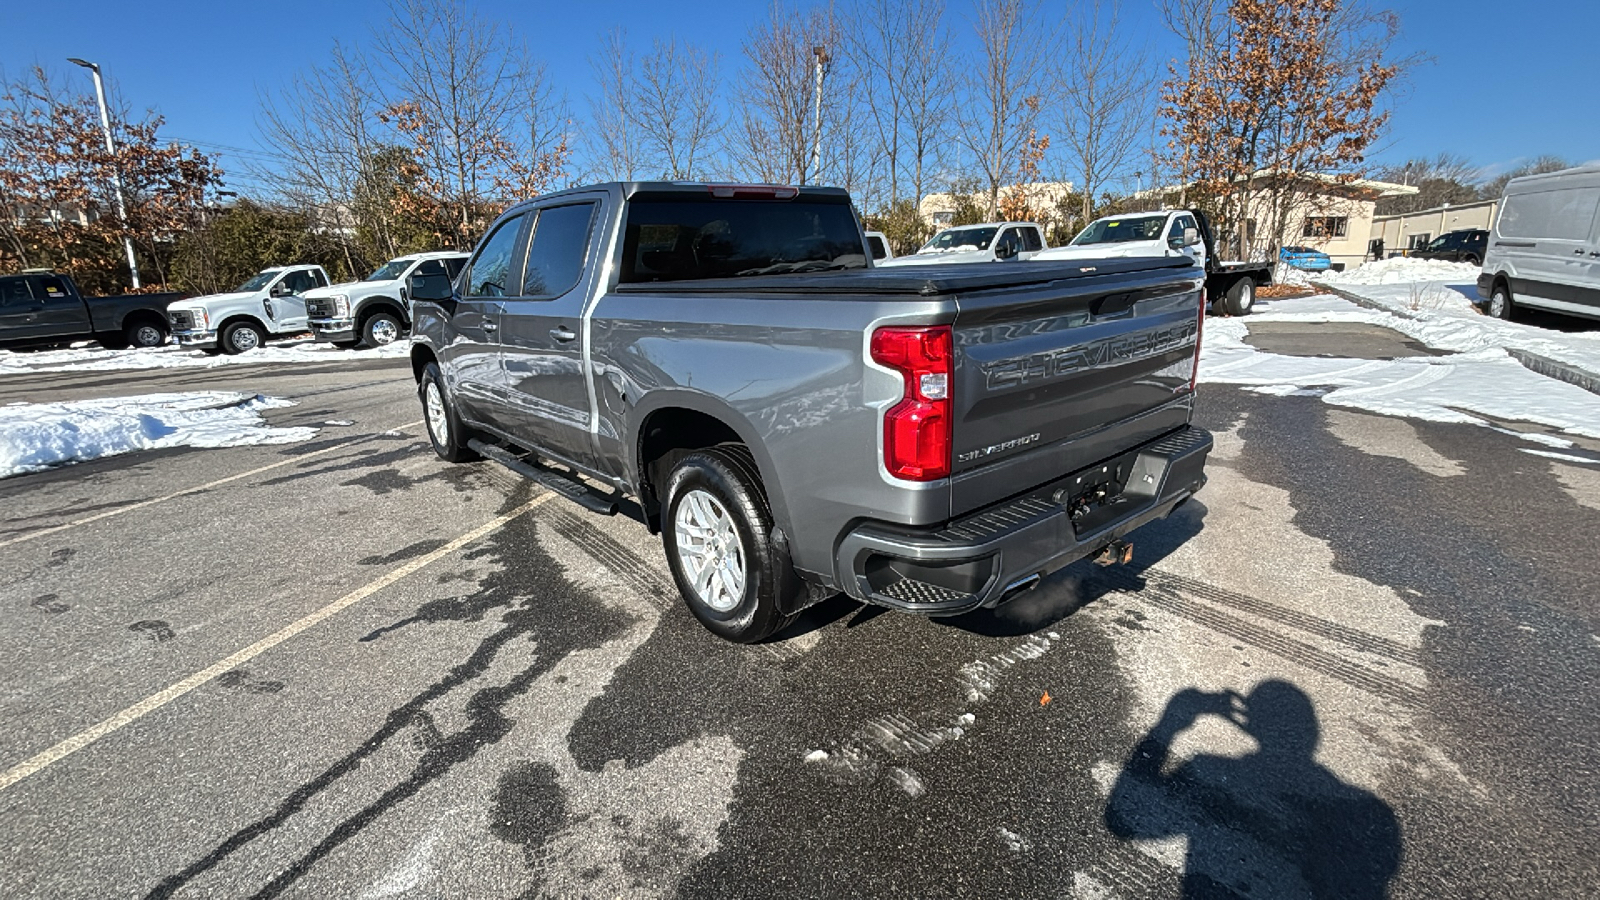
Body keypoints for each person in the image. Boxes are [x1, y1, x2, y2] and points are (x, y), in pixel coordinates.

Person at [1106, 681, 1401, 899]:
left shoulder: (1212, 768)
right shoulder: (1371, 811)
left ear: (1248, 721)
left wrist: (1170, 723)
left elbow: (1124, 821)